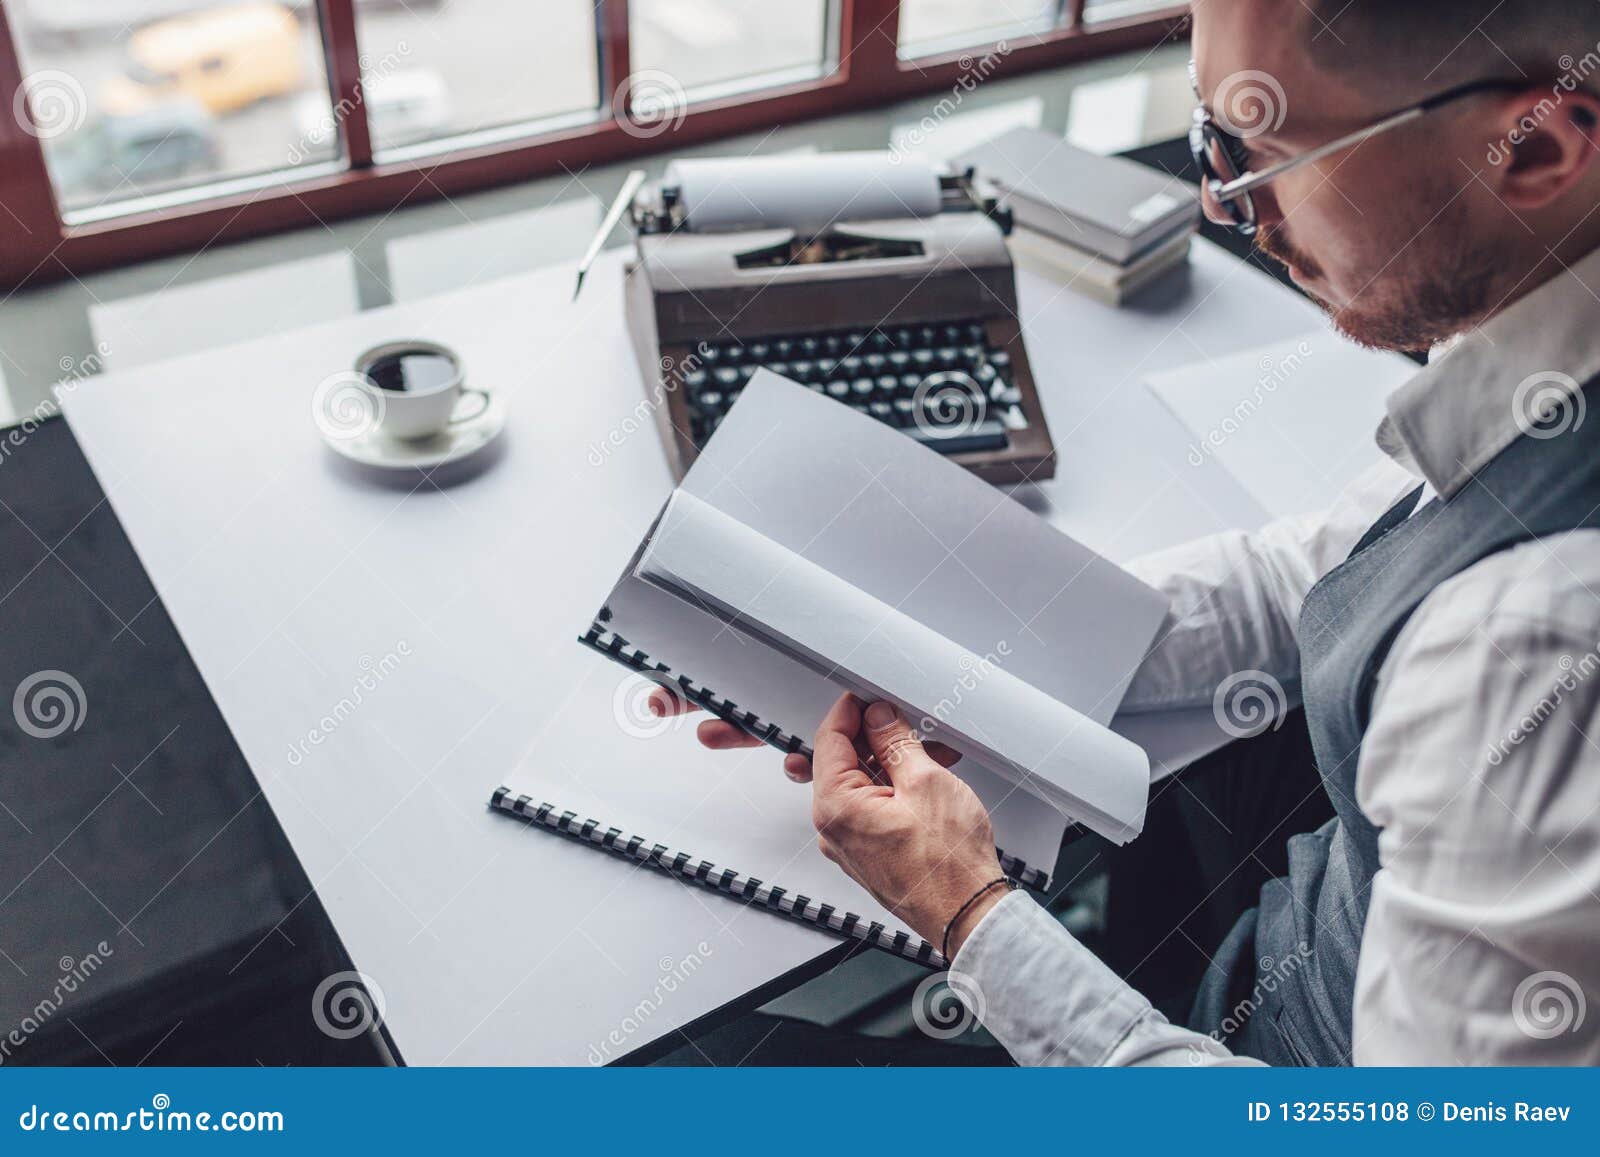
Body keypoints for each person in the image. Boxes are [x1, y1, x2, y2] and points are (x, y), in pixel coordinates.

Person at [653, 0, 1600, 1066]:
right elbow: (1319, 568)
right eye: (1208, 128)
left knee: (703, 1073)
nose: (1220, 201)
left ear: (1537, 149)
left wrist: (966, 911)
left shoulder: (1528, 645)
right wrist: (928, 659)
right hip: (1314, 935)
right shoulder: (1540, 299)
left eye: (1267, 151)